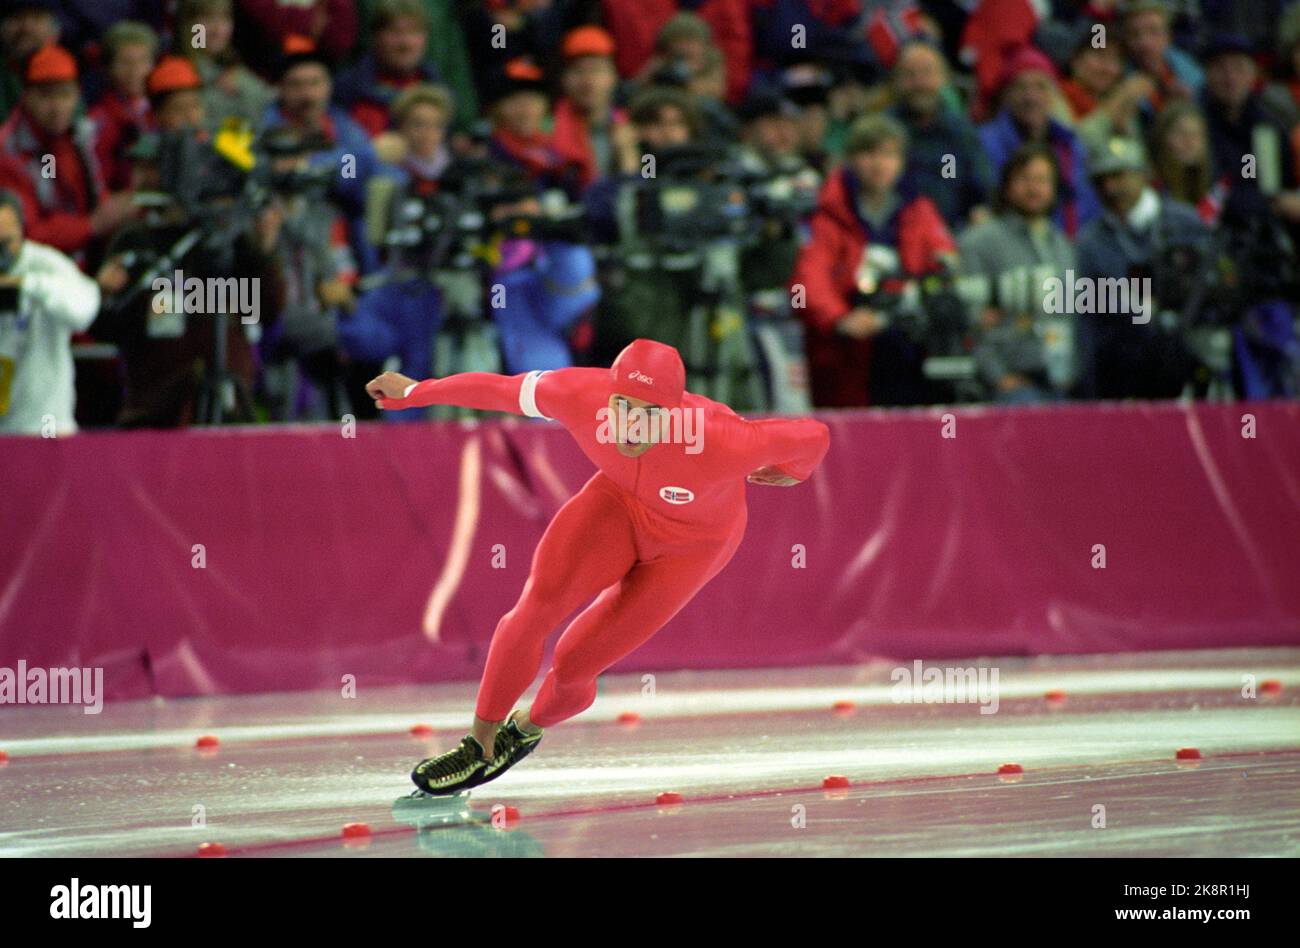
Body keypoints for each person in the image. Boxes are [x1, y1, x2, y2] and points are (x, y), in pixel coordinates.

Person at [364, 337, 831, 794]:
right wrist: (416, 392)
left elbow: (815, 436)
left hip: (694, 548)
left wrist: (791, 473)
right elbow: (500, 389)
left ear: (676, 414)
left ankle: (523, 730)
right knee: (532, 612)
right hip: (617, 506)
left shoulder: (723, 440)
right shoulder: (578, 394)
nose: (631, 426)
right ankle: (480, 746)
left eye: (651, 415)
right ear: (609, 397)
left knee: (573, 667)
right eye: (624, 407)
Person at [0, 187, 101, 435]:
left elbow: (83, 311)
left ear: (20, 231)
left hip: (45, 427)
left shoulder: (46, 265)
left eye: (6, 242)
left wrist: (28, 285)